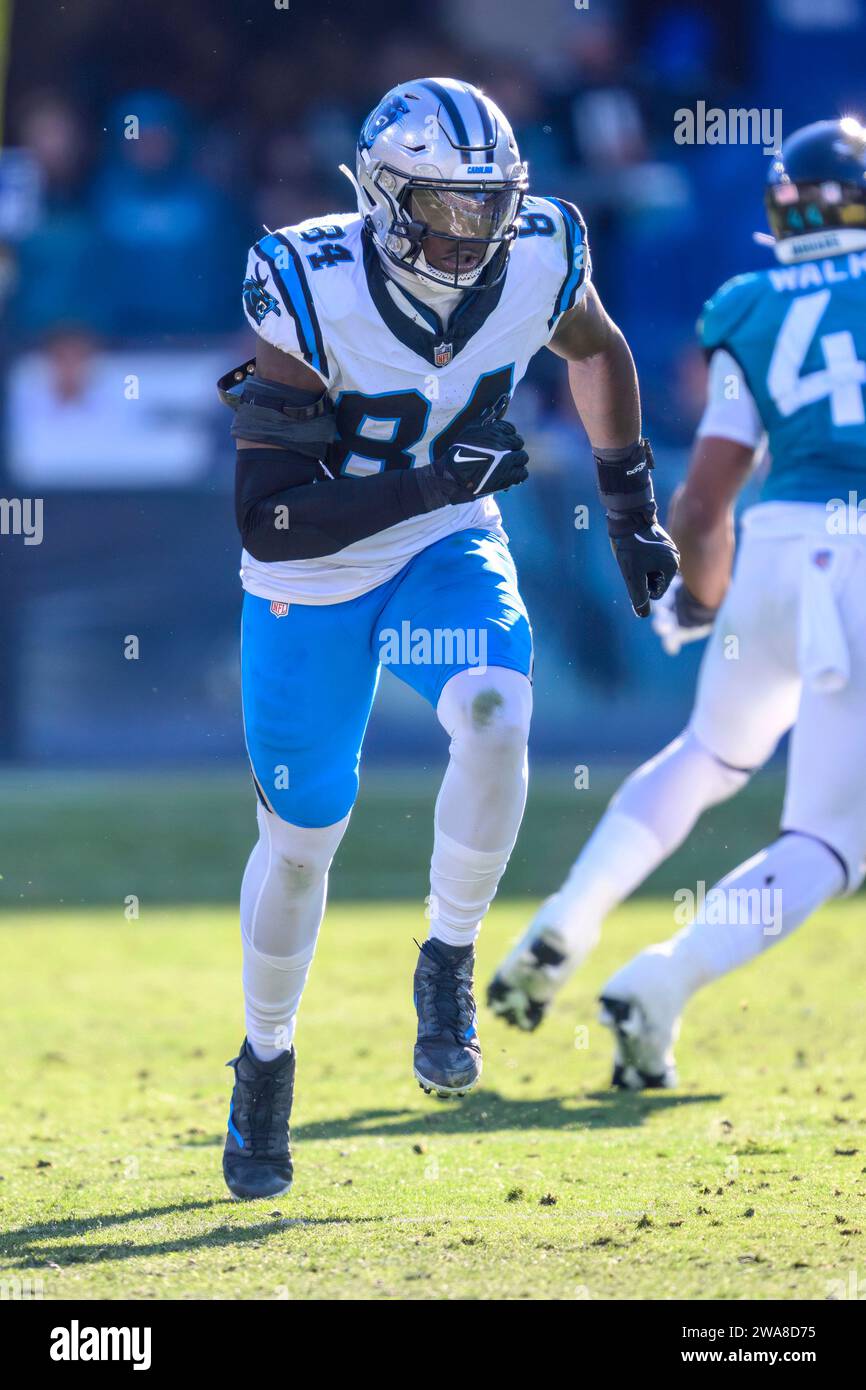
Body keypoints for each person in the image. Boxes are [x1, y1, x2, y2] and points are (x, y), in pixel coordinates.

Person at [219, 77, 678, 1197]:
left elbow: (598, 348)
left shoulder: (538, 250)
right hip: (312, 580)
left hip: (442, 546)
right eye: (449, 206)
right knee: (301, 842)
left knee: (495, 711)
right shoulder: (306, 280)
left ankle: (447, 955)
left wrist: (630, 510)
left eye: (490, 204)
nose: (475, 232)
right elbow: (269, 520)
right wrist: (432, 475)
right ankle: (266, 1059)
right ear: (383, 194)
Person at [487, 118, 866, 1090]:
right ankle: (661, 979)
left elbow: (701, 506)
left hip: (773, 556)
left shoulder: (747, 301)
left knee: (706, 753)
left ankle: (564, 918)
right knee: (826, 837)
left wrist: (700, 602)